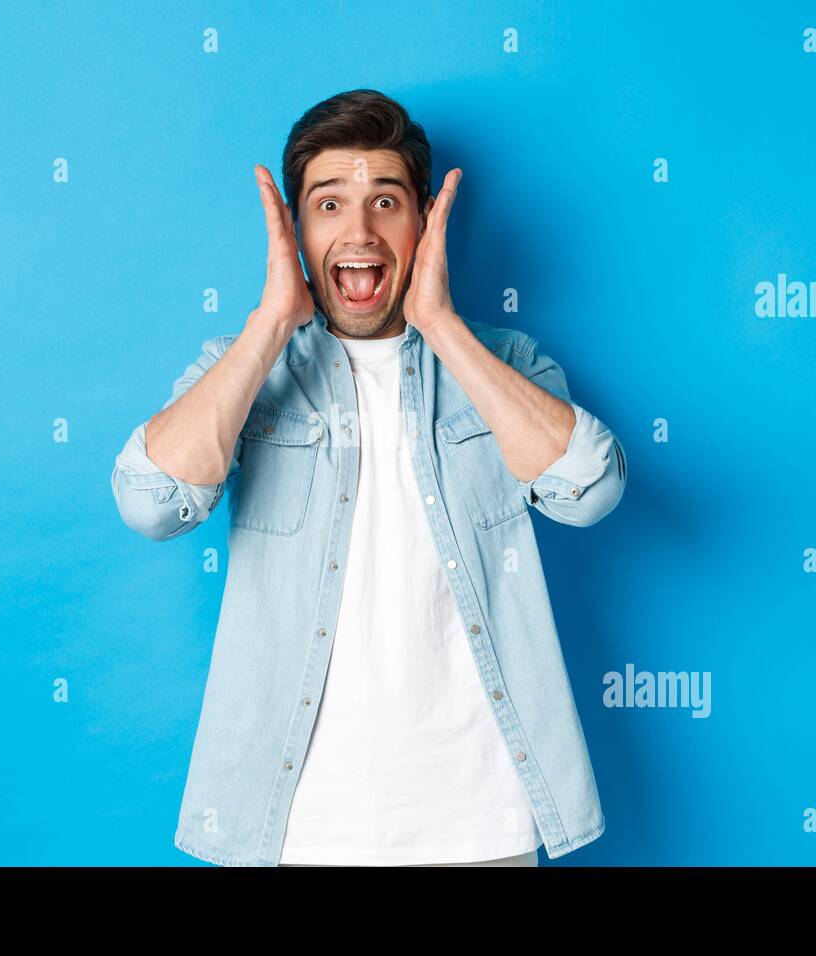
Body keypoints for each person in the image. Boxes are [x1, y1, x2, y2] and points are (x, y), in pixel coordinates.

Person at [111, 89, 626, 867]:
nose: (359, 230)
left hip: (483, 822)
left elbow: (592, 491)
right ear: (295, 228)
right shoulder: (241, 367)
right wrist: (270, 324)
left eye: (385, 201)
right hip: (296, 827)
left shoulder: (508, 363)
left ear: (422, 220)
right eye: (329, 204)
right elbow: (149, 504)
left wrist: (444, 327)